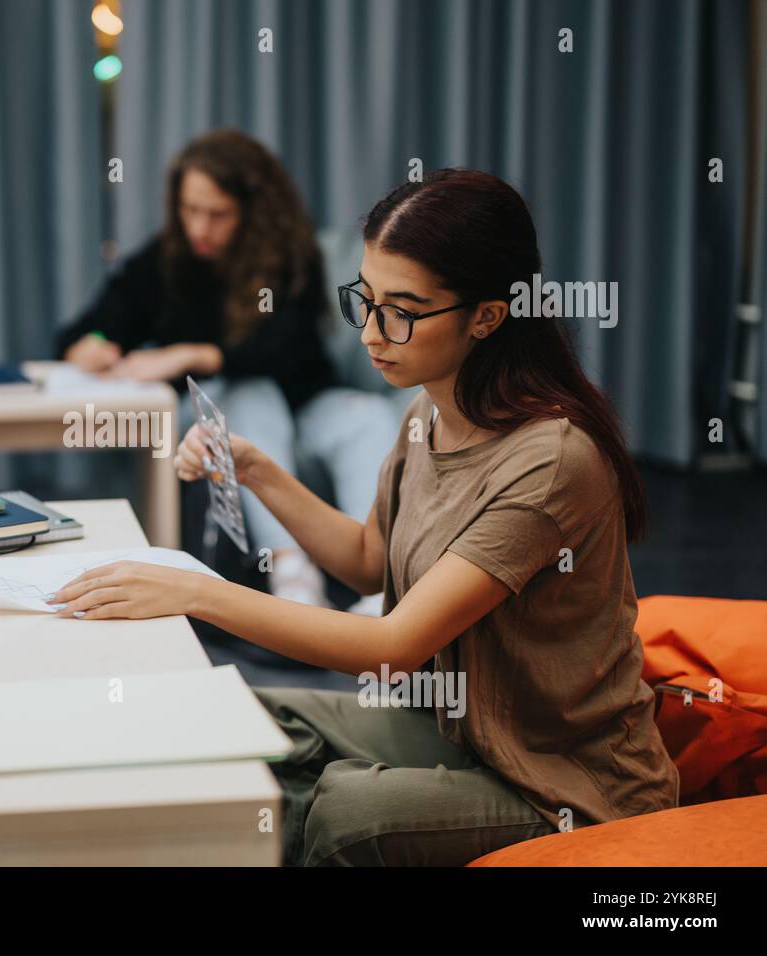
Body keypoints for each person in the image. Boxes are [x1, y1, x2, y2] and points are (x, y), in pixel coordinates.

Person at [45, 168, 680, 865]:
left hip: (566, 785)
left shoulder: (551, 461)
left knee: (349, 810)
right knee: (244, 720)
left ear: (488, 316)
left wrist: (197, 591)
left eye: (402, 311)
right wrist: (254, 468)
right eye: (365, 301)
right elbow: (368, 559)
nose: (372, 334)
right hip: (462, 729)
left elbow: (393, 646)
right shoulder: (429, 412)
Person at [55, 129, 398, 607]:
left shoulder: (289, 254)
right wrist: (88, 346)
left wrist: (196, 355)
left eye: (217, 214)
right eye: (189, 210)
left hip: (307, 404)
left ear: (252, 212)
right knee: (247, 395)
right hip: (241, 410)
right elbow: (85, 330)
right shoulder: (167, 261)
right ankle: (291, 572)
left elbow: (289, 347)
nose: (199, 227)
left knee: (370, 419)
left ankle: (381, 585)